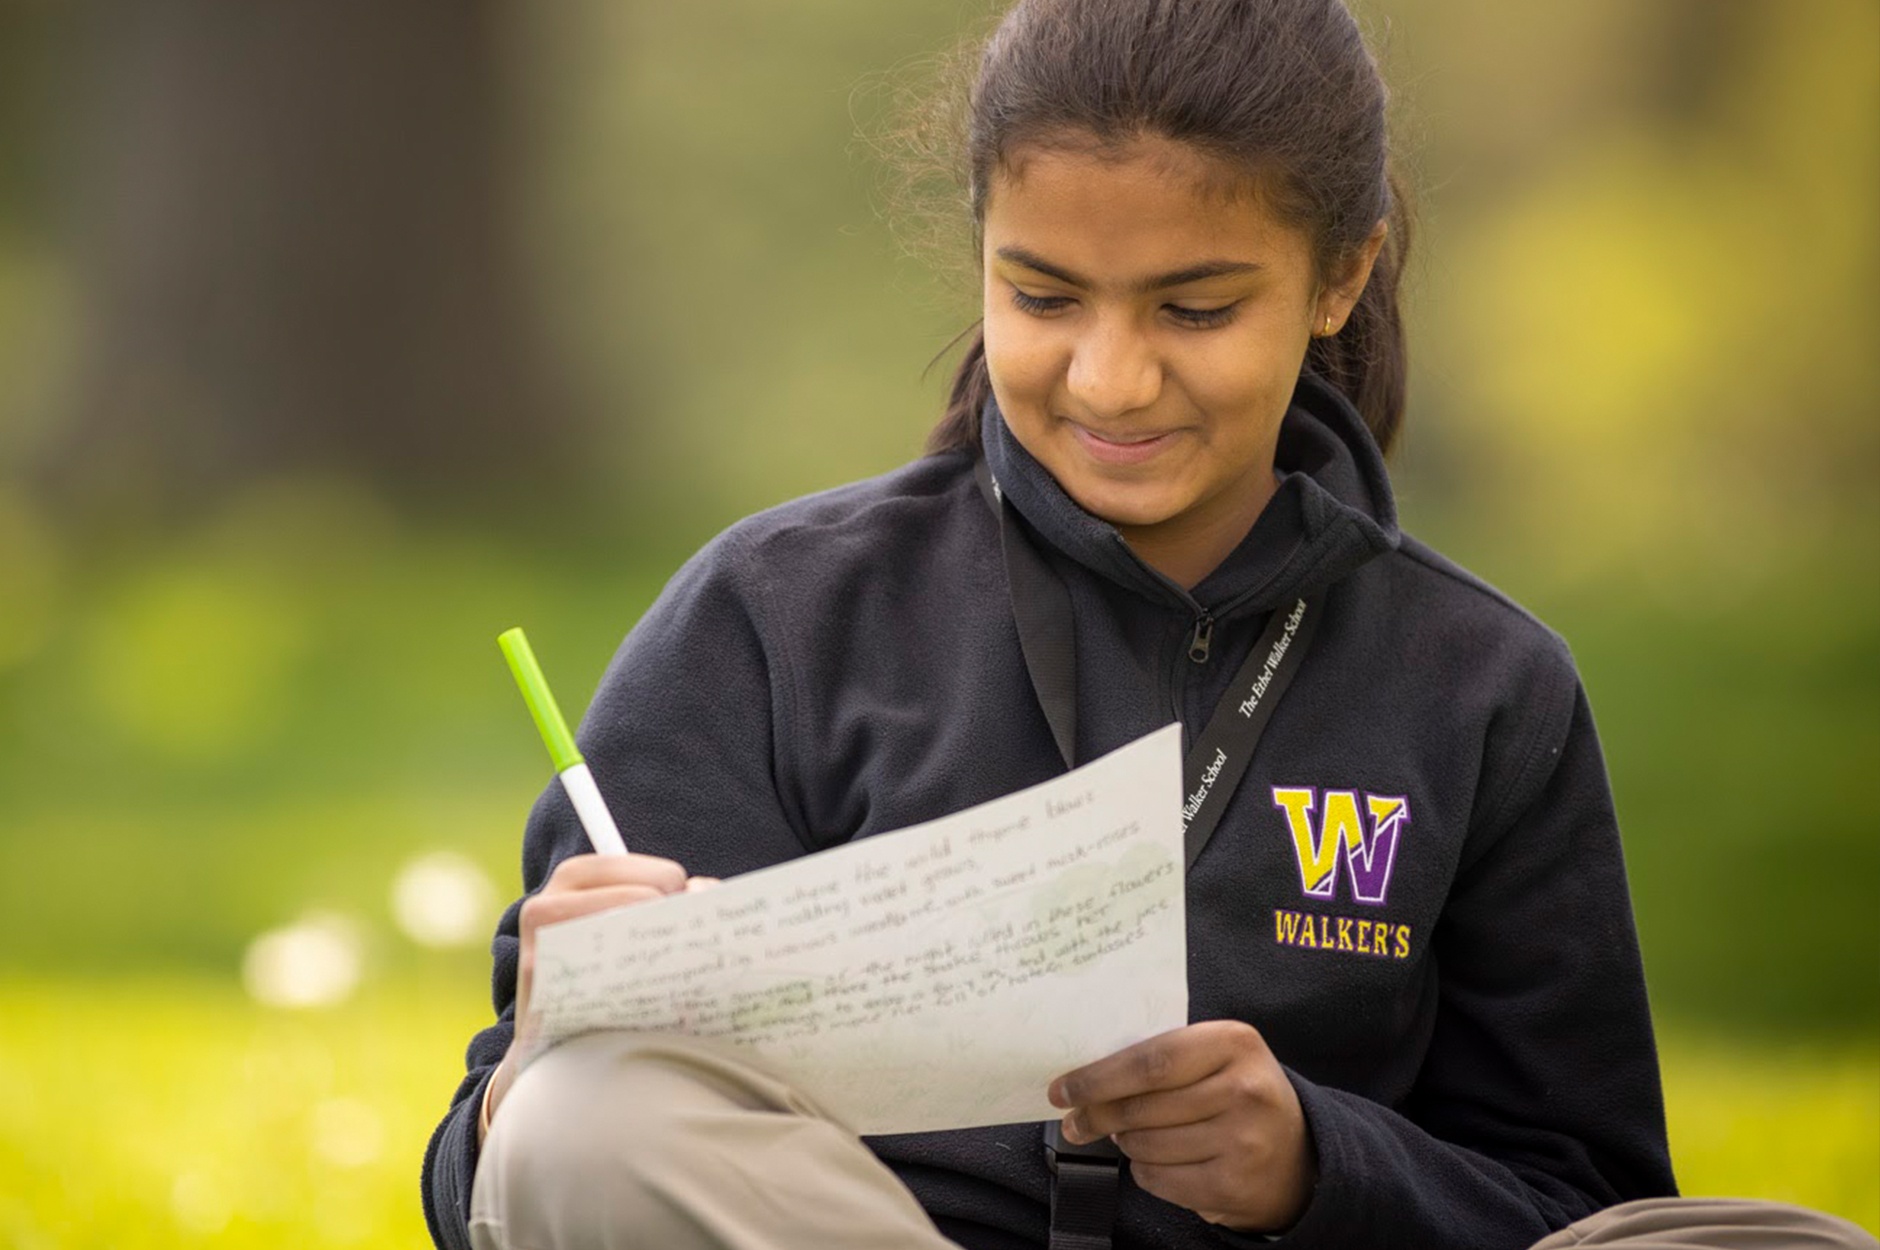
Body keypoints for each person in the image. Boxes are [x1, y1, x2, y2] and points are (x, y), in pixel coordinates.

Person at [423, 2, 1878, 1248]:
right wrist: (539, 1056)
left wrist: (1314, 1161)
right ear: (982, 254)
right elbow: (500, 1176)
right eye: (1043, 296)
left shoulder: (1485, 686)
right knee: (586, 1117)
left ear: (1341, 275)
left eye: (1195, 310)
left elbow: (1584, 1197)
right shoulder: (777, 615)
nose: (1110, 380)